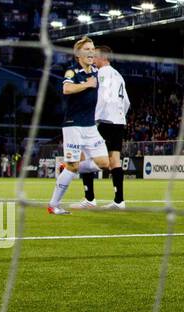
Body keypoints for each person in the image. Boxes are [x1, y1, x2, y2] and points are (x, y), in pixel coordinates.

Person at [50, 37, 108, 214]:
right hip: (73, 125)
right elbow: (66, 89)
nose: (91, 52)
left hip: (90, 126)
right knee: (74, 166)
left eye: (92, 49)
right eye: (87, 49)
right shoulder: (72, 72)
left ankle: (67, 168)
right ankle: (53, 205)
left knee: (104, 163)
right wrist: (86, 84)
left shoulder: (97, 71)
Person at [93, 45, 130, 209]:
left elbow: (103, 97)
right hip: (119, 120)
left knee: (84, 155)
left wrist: (94, 119)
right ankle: (119, 201)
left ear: (102, 57)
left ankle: (88, 198)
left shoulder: (102, 73)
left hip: (105, 120)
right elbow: (127, 102)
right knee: (115, 161)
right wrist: (120, 115)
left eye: (94, 56)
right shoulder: (119, 75)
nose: (92, 60)